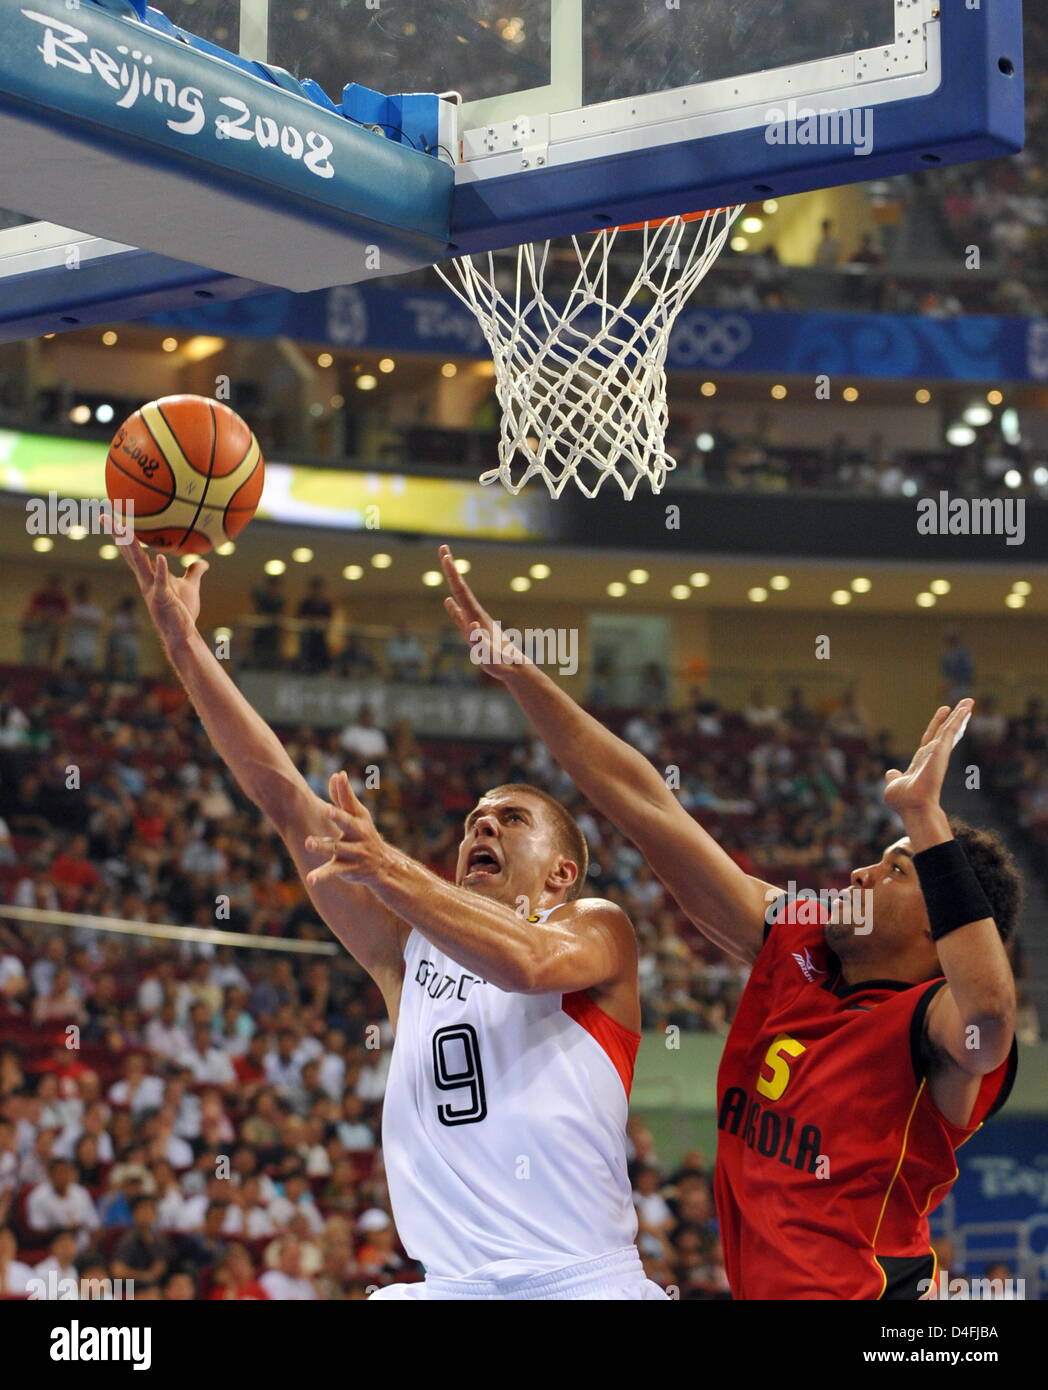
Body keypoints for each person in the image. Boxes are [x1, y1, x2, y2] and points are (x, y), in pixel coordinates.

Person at [441, 548, 1021, 1300]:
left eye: (895, 870)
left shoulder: (935, 1031)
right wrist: (522, 676)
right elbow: (647, 805)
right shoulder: (800, 943)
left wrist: (926, 823)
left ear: (942, 926)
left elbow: (991, 1013)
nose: (860, 874)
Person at [120, 539, 666, 1302]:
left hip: (578, 1283)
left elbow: (529, 966)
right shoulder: (407, 949)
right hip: (446, 1286)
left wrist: (387, 867)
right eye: (475, 819)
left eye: (510, 819)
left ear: (561, 872)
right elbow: (280, 795)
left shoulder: (596, 927)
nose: (482, 828)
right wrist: (182, 643)